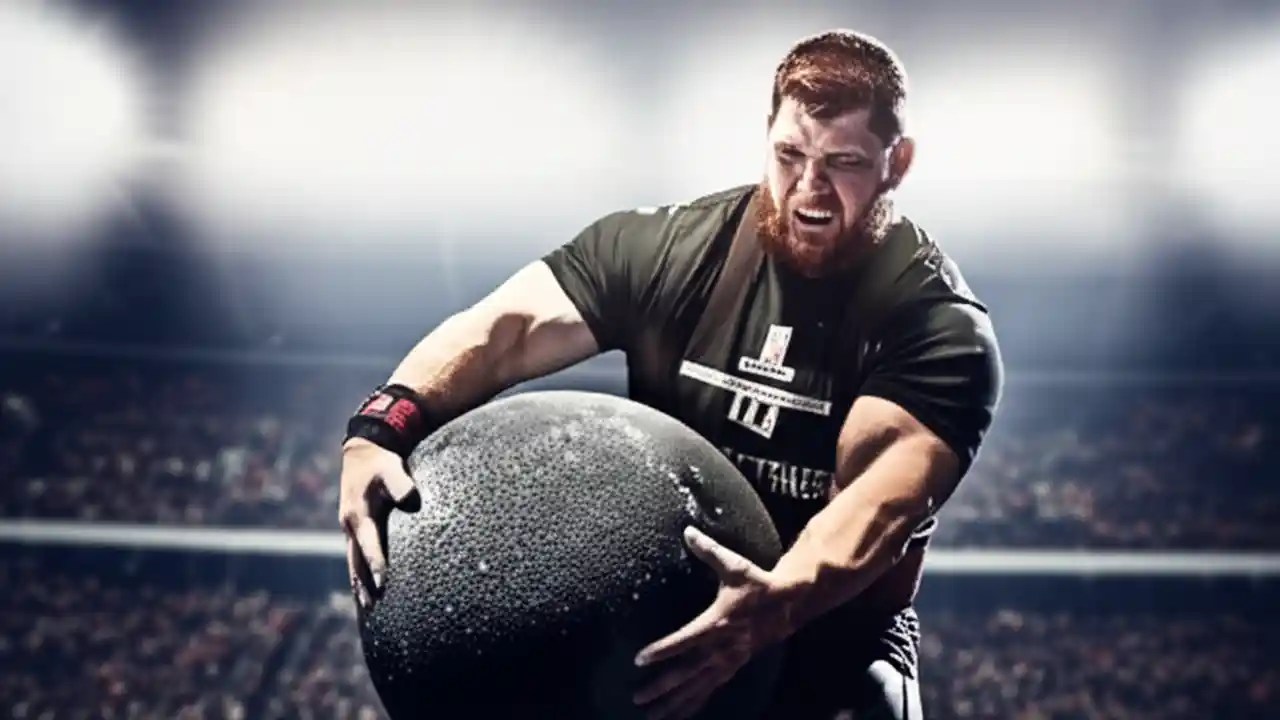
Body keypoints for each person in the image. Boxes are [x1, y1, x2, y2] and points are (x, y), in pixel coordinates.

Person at [338, 29, 1002, 720]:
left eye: (844, 162)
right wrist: (382, 425)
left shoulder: (938, 328)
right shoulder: (667, 250)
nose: (810, 189)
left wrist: (772, 607)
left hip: (829, 633)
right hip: (660, 609)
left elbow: (875, 511)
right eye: (789, 154)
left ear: (898, 162)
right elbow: (506, 330)